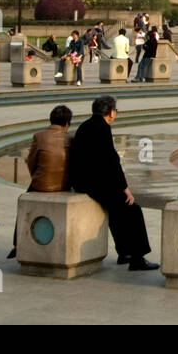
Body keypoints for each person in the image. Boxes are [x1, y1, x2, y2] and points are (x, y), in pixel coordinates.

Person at [69, 96, 156, 270]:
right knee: (132, 209)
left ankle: (125, 252)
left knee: (117, 211)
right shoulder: (102, 128)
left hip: (82, 181)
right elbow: (111, 162)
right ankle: (137, 258)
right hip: (95, 184)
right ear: (110, 112)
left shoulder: (85, 126)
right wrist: (125, 189)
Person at [7, 104, 73, 258]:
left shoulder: (39, 136)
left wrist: (37, 177)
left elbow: (31, 162)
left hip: (42, 184)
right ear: (67, 124)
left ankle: (17, 244)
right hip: (64, 184)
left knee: (24, 203)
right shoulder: (70, 138)